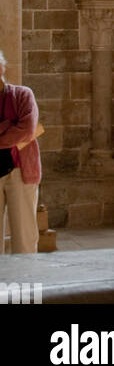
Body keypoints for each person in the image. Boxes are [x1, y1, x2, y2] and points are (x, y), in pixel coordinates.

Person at [0, 48, 41, 254]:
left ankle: (25, 281)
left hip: (20, 171)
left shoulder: (23, 94)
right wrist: (9, 125)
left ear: (2, 69)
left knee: (24, 237)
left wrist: (11, 129)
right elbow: (17, 130)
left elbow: (26, 130)